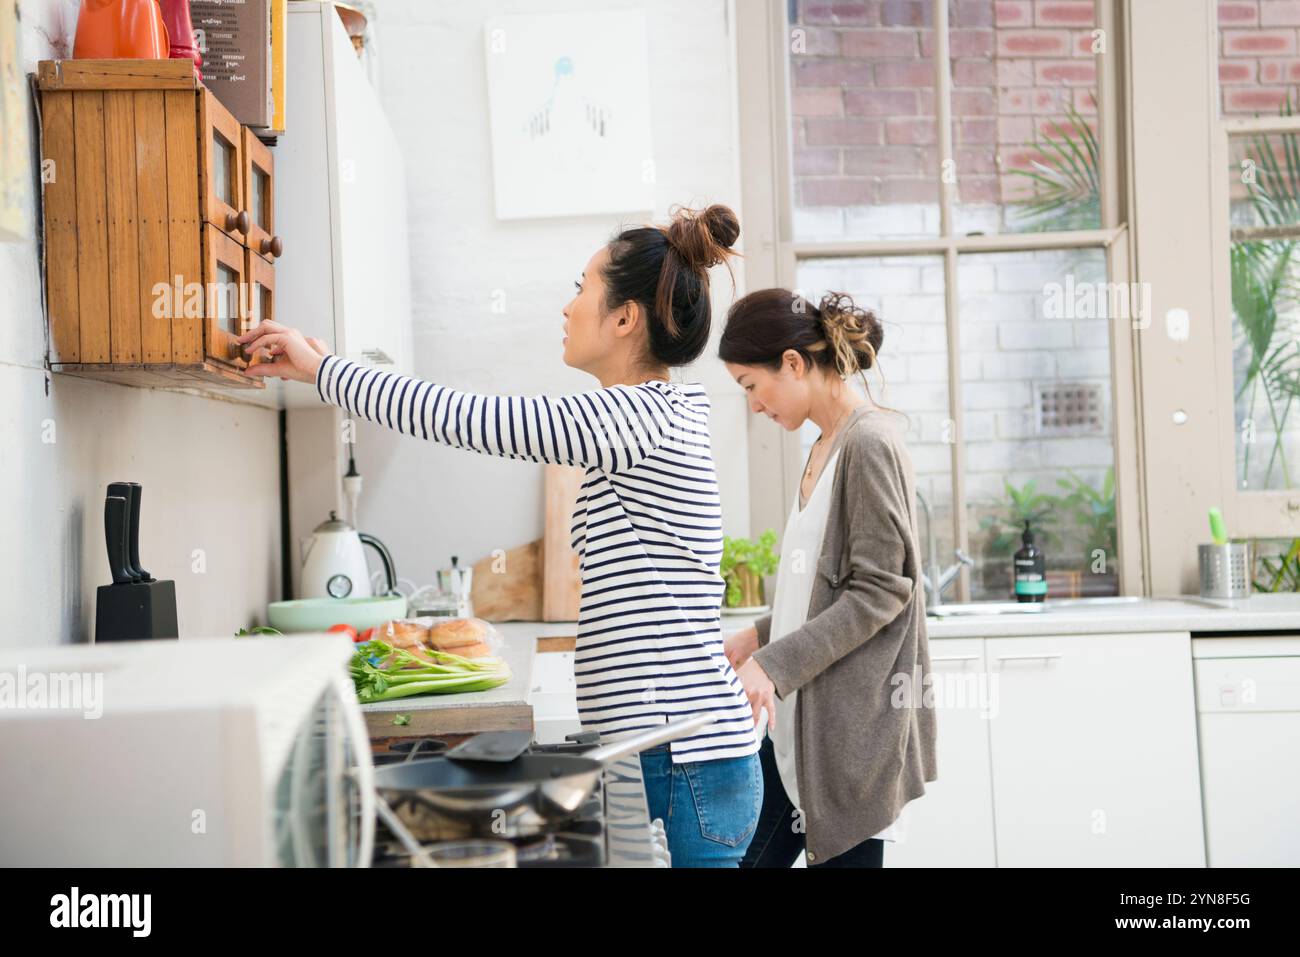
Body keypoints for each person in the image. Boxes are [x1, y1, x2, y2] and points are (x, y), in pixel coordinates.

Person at [237, 205, 764, 866]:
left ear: (625, 317)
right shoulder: (647, 417)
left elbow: (472, 418)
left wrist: (322, 368)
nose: (567, 307)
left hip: (683, 760)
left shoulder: (636, 416)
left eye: (582, 288)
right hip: (670, 756)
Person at [718, 289, 937, 868]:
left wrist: (774, 663)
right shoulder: (823, 445)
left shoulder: (868, 443)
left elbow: (882, 589)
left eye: (749, 385)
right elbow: (826, 586)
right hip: (799, 734)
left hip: (850, 743)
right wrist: (761, 635)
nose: (753, 406)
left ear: (792, 364)